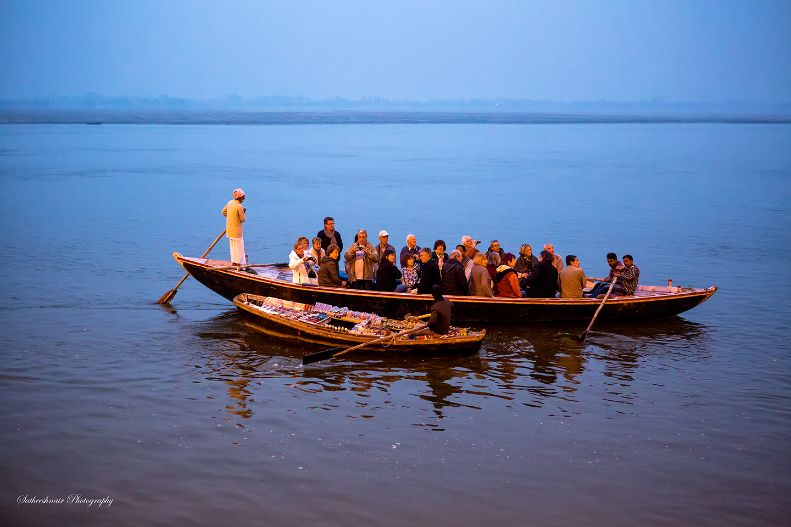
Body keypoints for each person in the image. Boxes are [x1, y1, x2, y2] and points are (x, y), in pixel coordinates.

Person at [221, 188, 246, 267]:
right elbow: (242, 219)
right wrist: (243, 212)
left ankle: (234, 263)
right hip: (237, 232)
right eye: (243, 196)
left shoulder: (230, 202)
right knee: (239, 249)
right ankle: (240, 265)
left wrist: (231, 217)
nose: (244, 198)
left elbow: (223, 212)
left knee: (233, 249)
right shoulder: (239, 206)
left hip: (229, 231)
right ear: (240, 197)